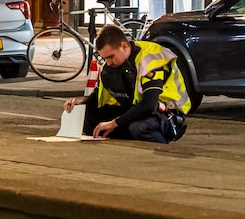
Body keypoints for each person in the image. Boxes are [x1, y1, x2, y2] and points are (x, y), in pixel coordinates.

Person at [64, 25, 192, 143]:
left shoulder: (151, 59)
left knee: (139, 128)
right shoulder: (110, 66)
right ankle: (123, 131)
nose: (108, 63)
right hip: (133, 107)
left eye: (110, 57)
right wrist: (78, 106)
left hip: (165, 113)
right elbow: (96, 97)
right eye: (105, 58)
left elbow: (149, 105)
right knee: (87, 122)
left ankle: (155, 143)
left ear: (124, 47)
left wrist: (114, 123)